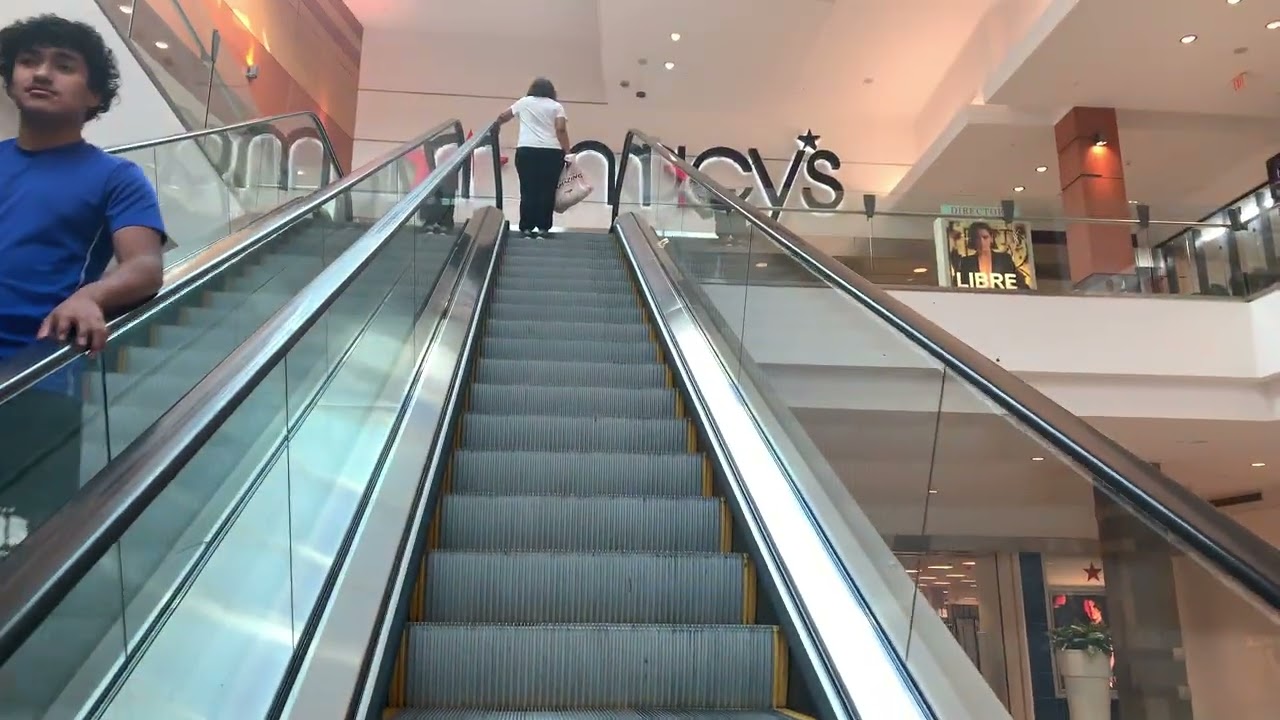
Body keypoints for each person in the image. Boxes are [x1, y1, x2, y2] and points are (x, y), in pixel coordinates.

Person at [0, 15, 166, 556]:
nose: (41, 73)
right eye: (29, 61)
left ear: (94, 94)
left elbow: (144, 266)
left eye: (63, 66)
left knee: (36, 539)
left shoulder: (116, 177)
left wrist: (91, 294)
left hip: (38, 378)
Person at [496, 77, 571, 237]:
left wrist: (496, 128)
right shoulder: (556, 106)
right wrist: (568, 151)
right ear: (551, 91)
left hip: (526, 151)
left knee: (528, 189)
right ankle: (543, 227)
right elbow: (561, 129)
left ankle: (526, 227)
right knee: (547, 190)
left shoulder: (524, 102)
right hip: (551, 152)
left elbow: (503, 116)